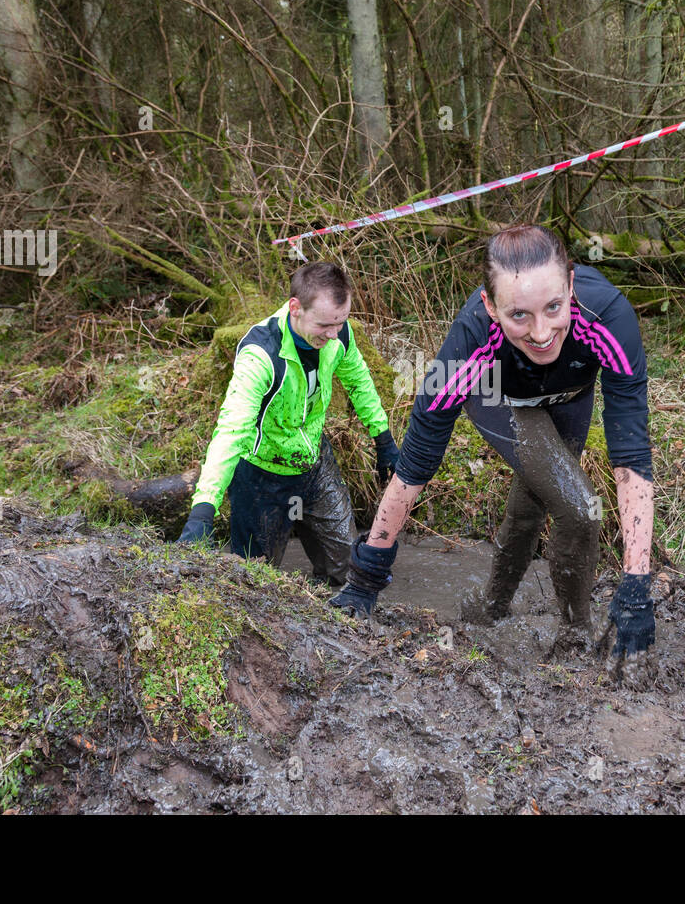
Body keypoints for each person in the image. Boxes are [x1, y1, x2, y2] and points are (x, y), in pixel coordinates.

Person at [330, 224, 657, 682]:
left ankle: (488, 612)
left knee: (536, 508)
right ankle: (576, 636)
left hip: (568, 396)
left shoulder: (610, 317)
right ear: (490, 306)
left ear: (571, 283)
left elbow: (631, 455)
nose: (542, 333)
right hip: (495, 396)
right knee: (581, 508)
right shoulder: (468, 346)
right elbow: (415, 467)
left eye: (554, 307)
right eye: (519, 315)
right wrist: (367, 575)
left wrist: (637, 584)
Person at [177, 261, 399, 589]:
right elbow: (231, 430)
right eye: (325, 324)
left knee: (347, 571)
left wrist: (383, 438)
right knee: (253, 582)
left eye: (341, 322)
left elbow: (359, 382)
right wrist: (203, 509)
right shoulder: (261, 354)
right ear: (295, 308)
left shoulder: (340, 334)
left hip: (313, 462)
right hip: (261, 475)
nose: (334, 334)